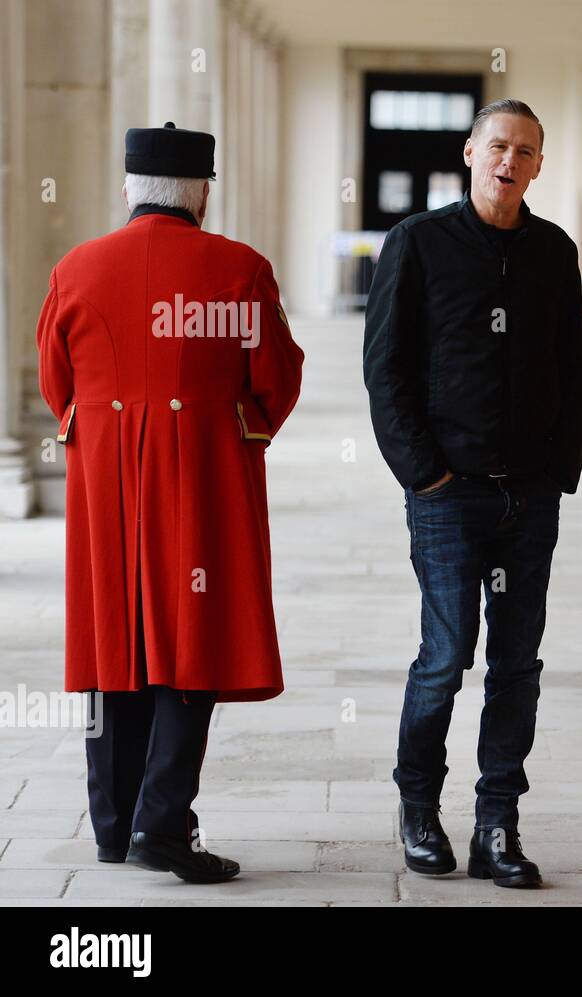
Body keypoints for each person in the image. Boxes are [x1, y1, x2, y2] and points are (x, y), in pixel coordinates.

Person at [35, 122, 304, 883]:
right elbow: (275, 378)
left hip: (105, 480)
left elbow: (56, 379)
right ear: (204, 193)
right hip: (201, 474)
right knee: (193, 633)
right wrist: (239, 425)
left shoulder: (74, 268)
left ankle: (114, 824)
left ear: (129, 188)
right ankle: (164, 821)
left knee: (110, 636)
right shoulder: (239, 269)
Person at [363, 98, 582, 888]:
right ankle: (418, 806)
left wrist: (562, 469)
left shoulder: (555, 252)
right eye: (498, 145)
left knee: (518, 663)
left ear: (537, 165)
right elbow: (385, 367)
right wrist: (422, 472)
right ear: (470, 152)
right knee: (446, 654)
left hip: (530, 494)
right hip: (447, 492)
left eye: (526, 150)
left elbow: (574, 367)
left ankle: (498, 821)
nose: (510, 161)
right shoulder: (417, 244)